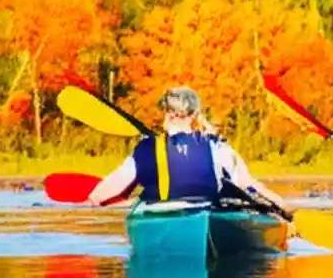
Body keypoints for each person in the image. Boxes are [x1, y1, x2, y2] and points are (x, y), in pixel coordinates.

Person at [85, 86, 293, 216]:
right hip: (206, 213)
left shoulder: (145, 149)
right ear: (194, 115)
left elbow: (99, 195)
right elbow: (249, 187)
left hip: (159, 216)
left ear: (166, 113)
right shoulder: (216, 146)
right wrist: (284, 208)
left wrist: (109, 198)